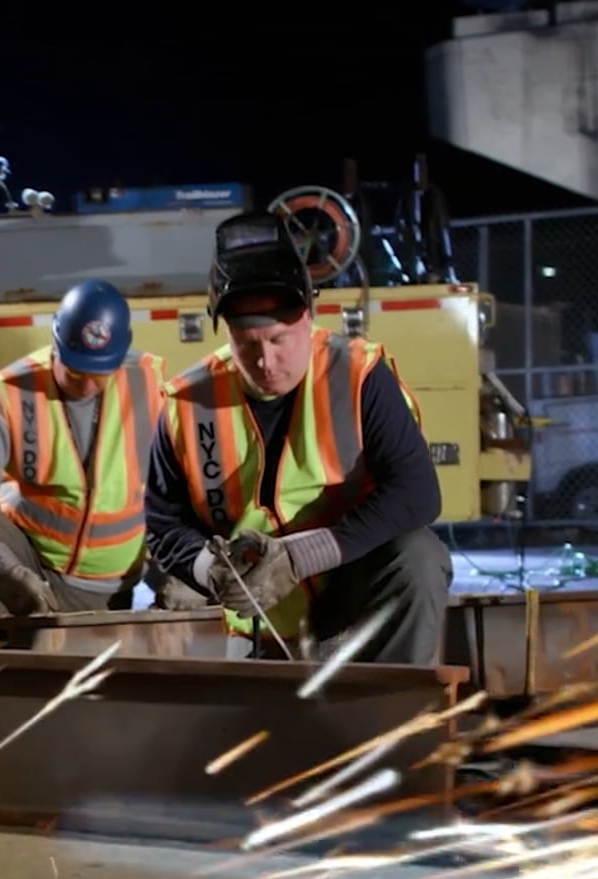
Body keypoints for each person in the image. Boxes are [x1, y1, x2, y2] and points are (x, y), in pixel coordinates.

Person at [143, 210, 452, 665]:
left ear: (309, 316)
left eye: (279, 340)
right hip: (263, 624)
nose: (265, 360)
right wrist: (212, 572)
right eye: (247, 343)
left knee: (420, 556)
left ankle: (388, 719)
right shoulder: (187, 404)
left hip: (355, 609)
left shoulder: (359, 376)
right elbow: (164, 524)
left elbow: (418, 494)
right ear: (225, 331)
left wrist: (299, 557)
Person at [0, 280, 167, 646]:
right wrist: (2, 569)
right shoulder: (13, 391)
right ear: (56, 347)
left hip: (105, 585)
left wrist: (177, 571)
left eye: (99, 376)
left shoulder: (151, 386)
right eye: (74, 373)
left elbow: (187, 486)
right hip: (30, 561)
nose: (86, 387)